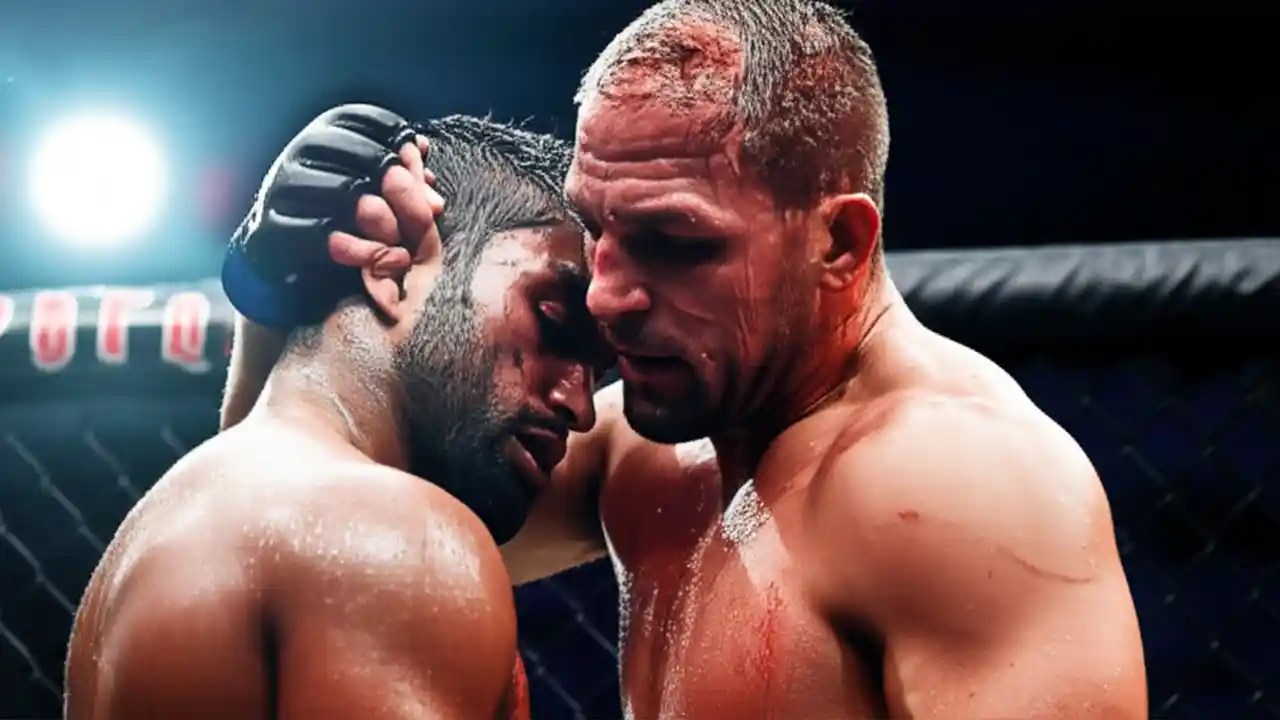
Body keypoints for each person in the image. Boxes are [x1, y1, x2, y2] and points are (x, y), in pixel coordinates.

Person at [224, 1, 1149, 717]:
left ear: (839, 243)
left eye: (673, 241)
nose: (605, 294)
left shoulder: (959, 486)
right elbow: (296, 536)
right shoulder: (645, 454)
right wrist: (285, 288)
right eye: (595, 231)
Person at [65, 112, 609, 720]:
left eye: (598, 370)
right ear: (392, 267)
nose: (579, 405)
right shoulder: (398, 534)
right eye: (555, 323)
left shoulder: (156, 537)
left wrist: (274, 305)